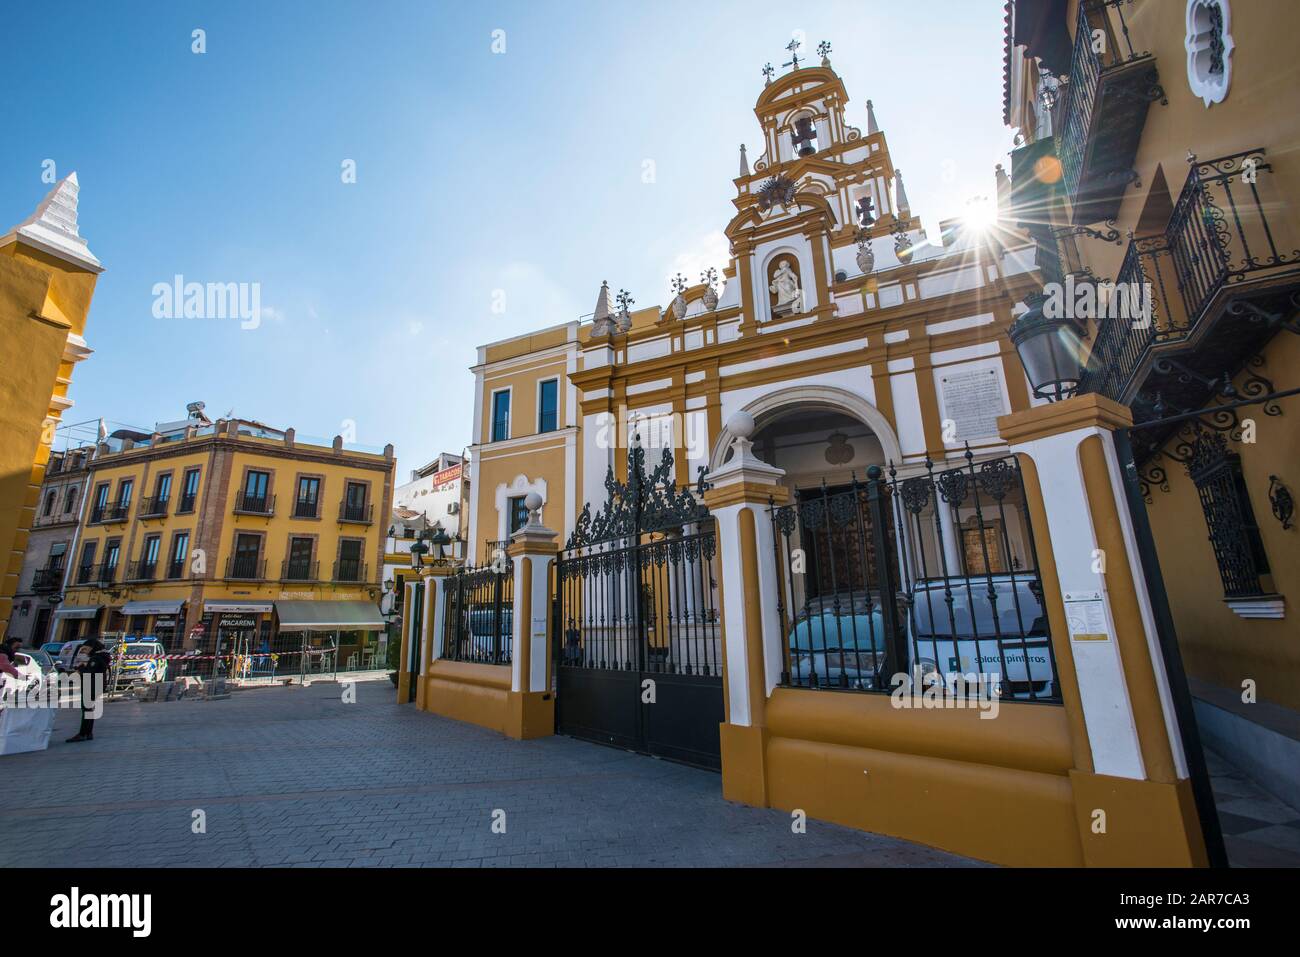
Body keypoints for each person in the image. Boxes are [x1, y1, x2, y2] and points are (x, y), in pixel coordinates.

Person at [65, 636, 109, 743]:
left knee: (86, 710)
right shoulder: (102, 656)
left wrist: (81, 669)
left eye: (86, 649)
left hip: (92, 685)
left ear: (92, 647)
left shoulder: (96, 658)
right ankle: (88, 733)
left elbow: (90, 673)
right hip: (98, 685)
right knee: (89, 710)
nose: (84, 651)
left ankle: (83, 733)